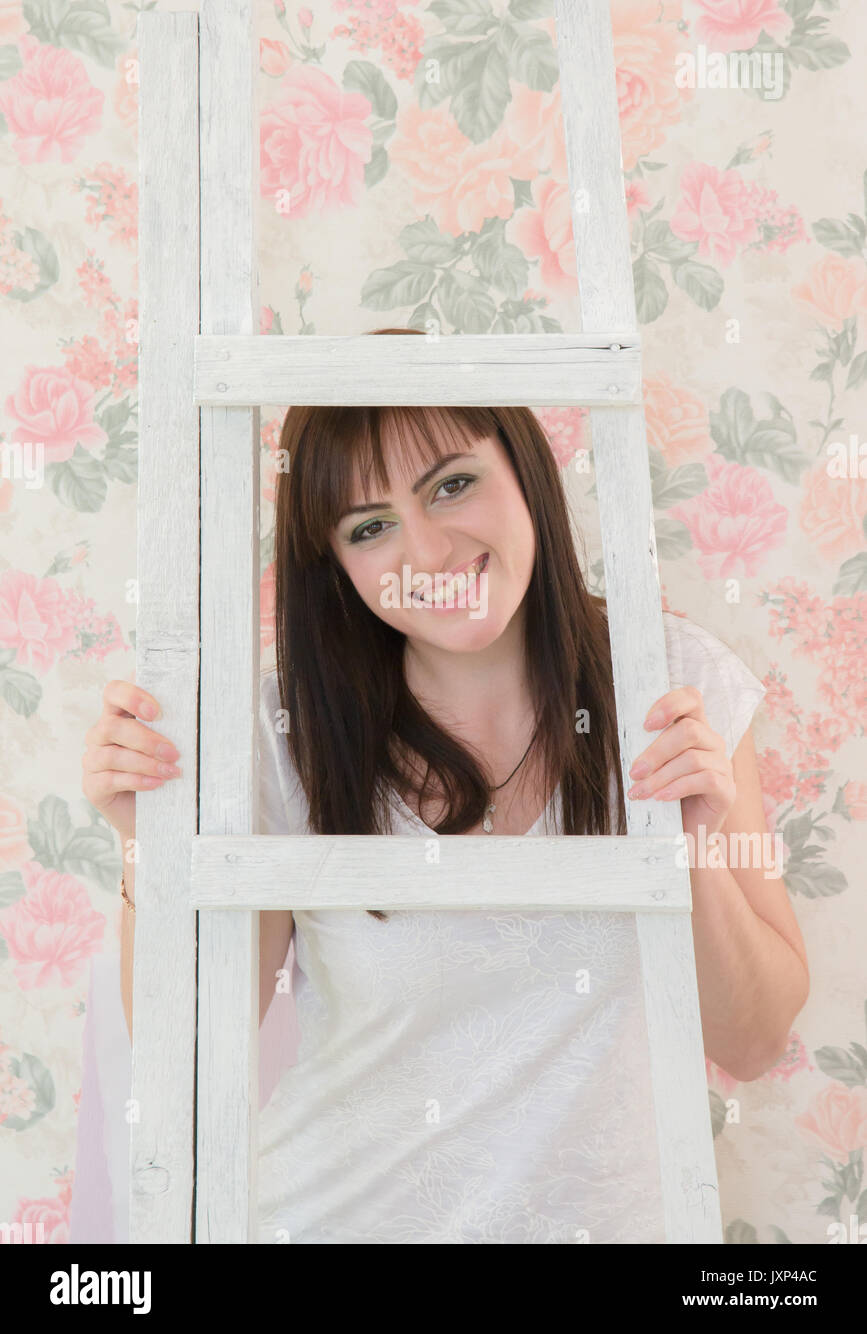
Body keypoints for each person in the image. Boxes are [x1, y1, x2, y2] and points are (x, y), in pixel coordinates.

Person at [82, 328, 809, 1244]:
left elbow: (752, 1039)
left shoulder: (666, 681)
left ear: (523, 468)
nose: (423, 549)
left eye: (452, 483)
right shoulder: (284, 734)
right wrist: (146, 845)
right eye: (369, 526)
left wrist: (689, 851)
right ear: (336, 567)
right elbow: (189, 1056)